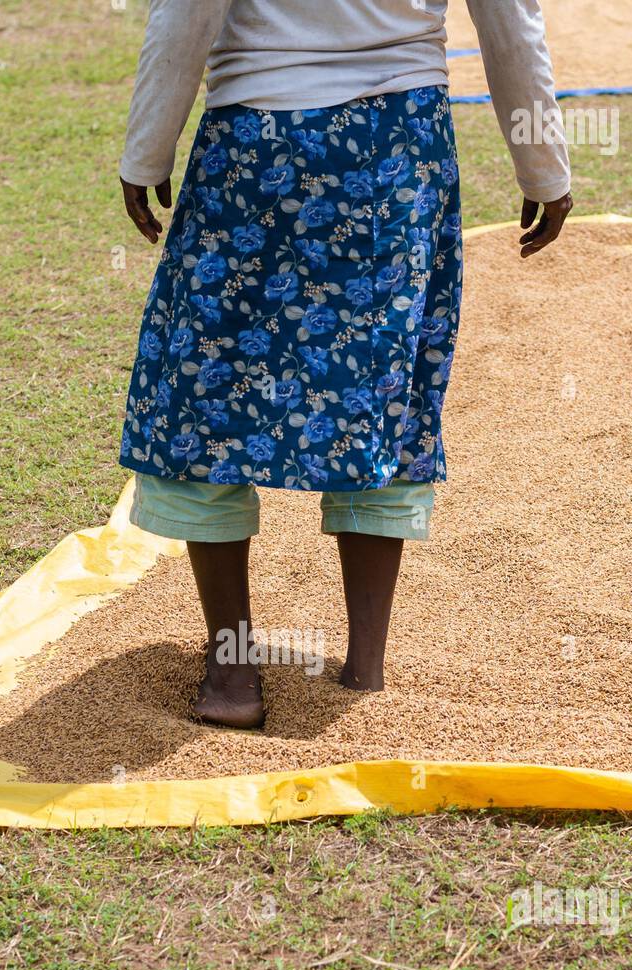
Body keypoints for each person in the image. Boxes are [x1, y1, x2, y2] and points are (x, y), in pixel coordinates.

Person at [118, 0, 572, 728]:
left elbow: (186, 14)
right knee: (381, 391)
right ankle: (366, 669)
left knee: (213, 396)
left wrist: (147, 148)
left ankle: (232, 671)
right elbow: (509, 26)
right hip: (394, 151)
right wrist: (544, 167)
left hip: (254, 149)